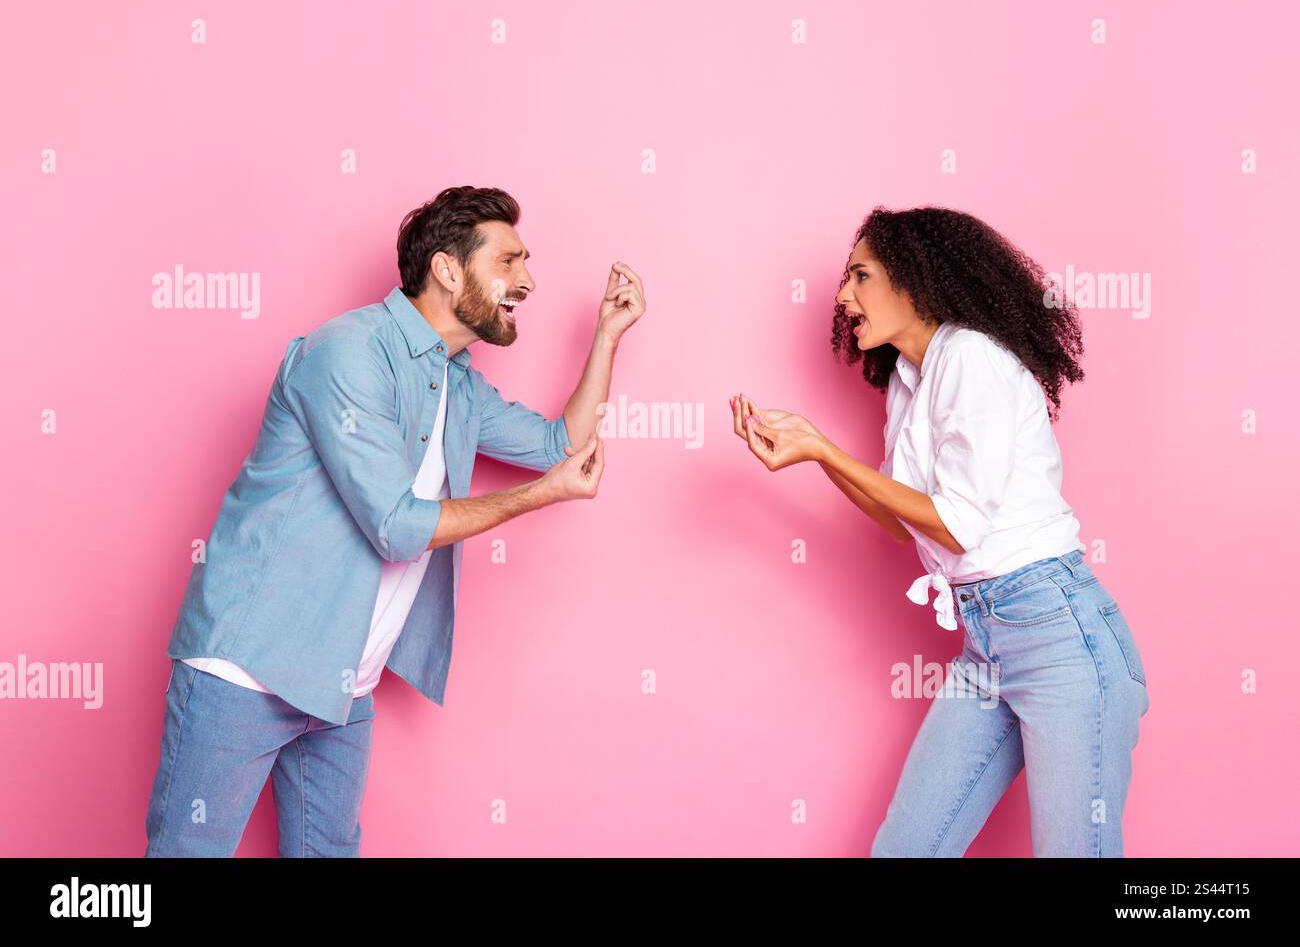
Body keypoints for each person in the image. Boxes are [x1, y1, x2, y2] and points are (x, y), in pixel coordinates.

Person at [145, 186, 646, 856]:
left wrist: (607, 335)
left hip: (341, 683)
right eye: (508, 261)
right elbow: (395, 524)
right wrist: (538, 497)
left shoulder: (455, 381)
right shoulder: (347, 351)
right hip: (249, 669)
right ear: (446, 269)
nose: (526, 280)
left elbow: (561, 446)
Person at [730, 205, 1149, 857]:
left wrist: (825, 448)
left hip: (1057, 632)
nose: (843, 296)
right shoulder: (907, 377)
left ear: (914, 281)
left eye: (860, 276)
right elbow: (905, 523)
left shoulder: (972, 357)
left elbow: (956, 526)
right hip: (987, 643)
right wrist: (815, 455)